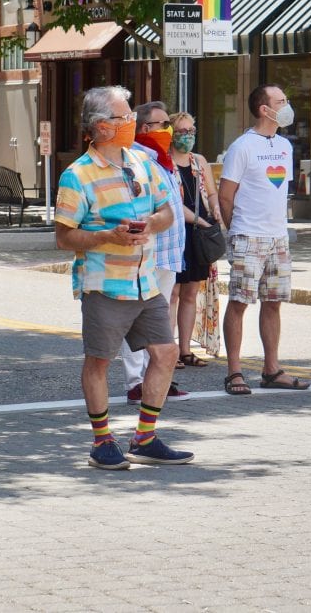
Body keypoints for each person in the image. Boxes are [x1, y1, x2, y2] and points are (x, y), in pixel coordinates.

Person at [54, 86, 193, 469]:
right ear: (101, 126)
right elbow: (64, 237)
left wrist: (151, 223)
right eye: (125, 117)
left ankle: (144, 438)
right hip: (105, 285)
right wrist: (106, 236)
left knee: (165, 354)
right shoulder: (77, 175)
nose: (132, 122)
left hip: (145, 282)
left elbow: (167, 212)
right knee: (99, 361)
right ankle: (102, 442)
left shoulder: (141, 162)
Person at [219, 84, 308, 395]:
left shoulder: (284, 146)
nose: (287, 106)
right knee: (239, 302)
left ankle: (272, 370)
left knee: (273, 303)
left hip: (278, 238)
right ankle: (234, 372)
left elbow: (278, 189)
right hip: (248, 235)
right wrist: (235, 231)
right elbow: (225, 196)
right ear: (264, 109)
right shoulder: (242, 147)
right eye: (281, 101)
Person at [120, 101, 189, 404]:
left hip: (169, 251)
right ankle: (136, 382)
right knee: (136, 318)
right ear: (146, 128)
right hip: (147, 251)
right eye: (164, 124)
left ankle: (158, 378)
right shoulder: (135, 158)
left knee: (159, 321)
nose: (169, 130)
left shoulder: (163, 159)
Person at [170, 110, 222, 366]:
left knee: (191, 292)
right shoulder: (164, 161)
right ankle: (168, 352)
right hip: (175, 231)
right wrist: (201, 220)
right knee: (172, 293)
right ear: (171, 133)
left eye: (191, 131)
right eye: (182, 131)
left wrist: (216, 208)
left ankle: (185, 350)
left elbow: (211, 193)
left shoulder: (199, 161)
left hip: (198, 235)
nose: (188, 136)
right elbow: (172, 202)